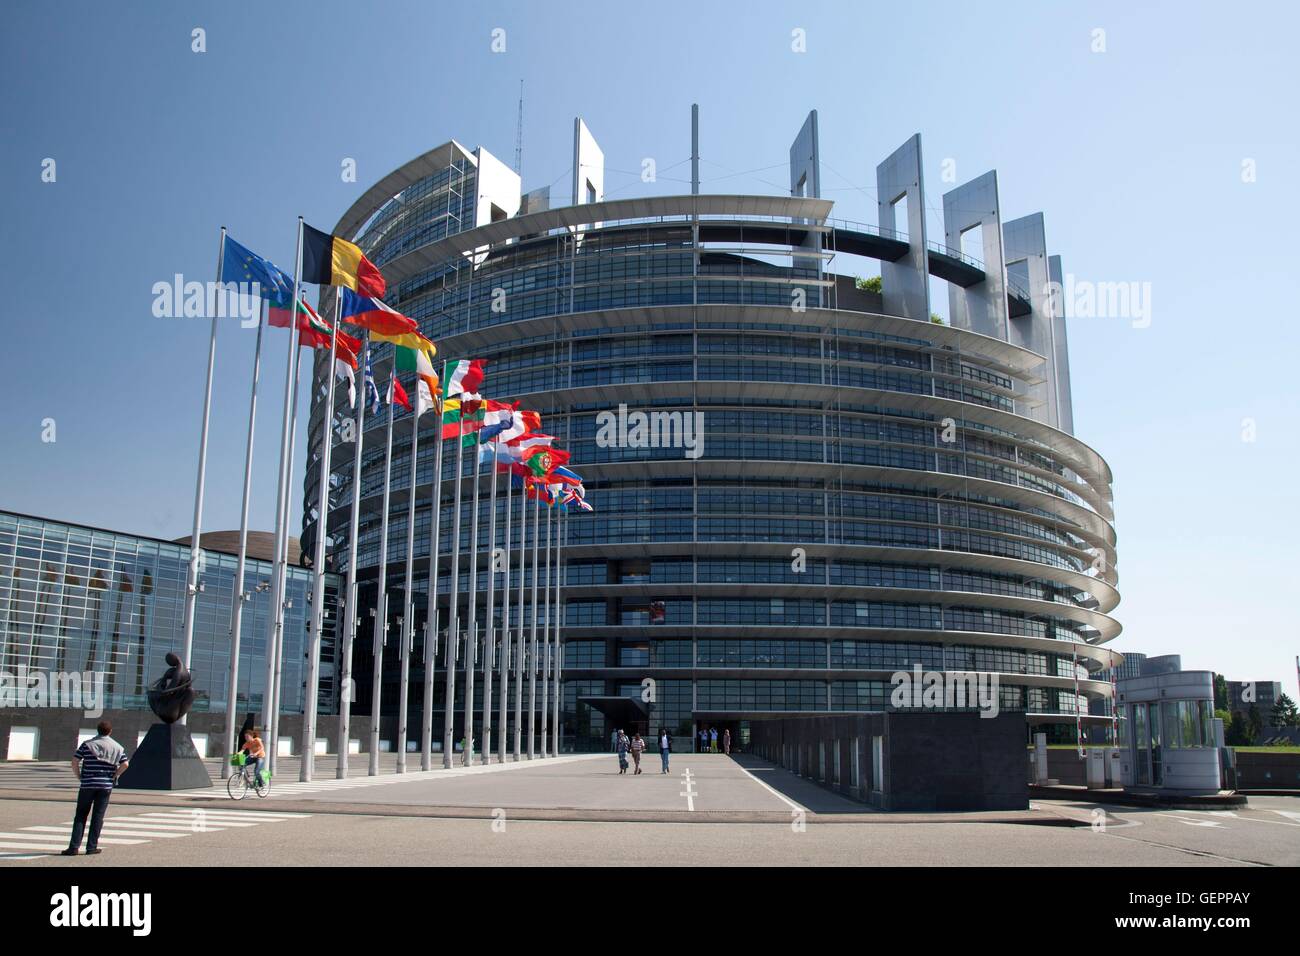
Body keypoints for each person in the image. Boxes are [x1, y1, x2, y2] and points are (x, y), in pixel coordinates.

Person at [64, 719, 128, 856]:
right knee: (98, 816)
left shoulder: (87, 745)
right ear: (110, 731)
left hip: (87, 784)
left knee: (81, 815)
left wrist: (79, 776)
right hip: (105, 785)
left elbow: (75, 761)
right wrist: (115, 776)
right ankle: (91, 847)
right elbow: (125, 764)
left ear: (97, 730)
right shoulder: (117, 747)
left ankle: (74, 847)